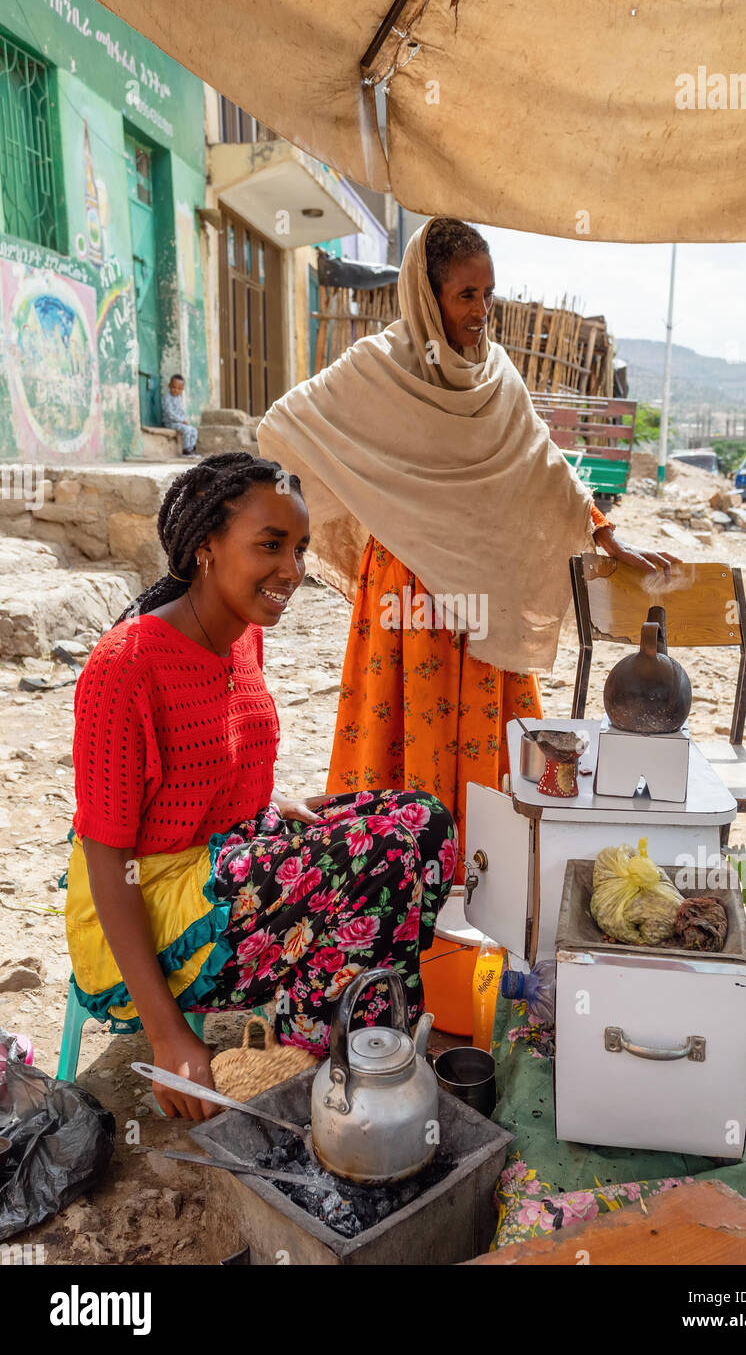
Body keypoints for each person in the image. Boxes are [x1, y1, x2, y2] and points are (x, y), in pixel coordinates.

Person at [257, 217, 676, 856]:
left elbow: (543, 465)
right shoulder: (377, 369)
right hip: (408, 591)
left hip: (485, 598)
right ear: (428, 298)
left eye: (488, 294)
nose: (482, 311)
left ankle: (482, 873)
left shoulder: (496, 375)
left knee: (486, 758)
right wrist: (330, 517)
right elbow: (288, 425)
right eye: (464, 296)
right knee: (405, 740)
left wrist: (604, 533)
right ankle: (391, 872)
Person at [66, 452, 456, 1120]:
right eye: (270, 546)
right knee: (380, 859)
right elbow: (109, 858)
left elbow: (209, 758)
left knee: (421, 821)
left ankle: (342, 1039)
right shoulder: (125, 666)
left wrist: (269, 802)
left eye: (299, 548)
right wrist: (169, 1037)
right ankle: (324, 1058)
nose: (292, 571)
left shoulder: (243, 636)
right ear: (205, 549)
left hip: (228, 848)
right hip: (148, 907)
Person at [161, 373, 198, 455]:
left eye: (179, 388)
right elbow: (169, 413)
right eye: (174, 387)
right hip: (170, 423)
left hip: (179, 422)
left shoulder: (179, 398)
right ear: (169, 385)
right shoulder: (167, 398)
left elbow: (181, 412)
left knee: (194, 430)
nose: (176, 390)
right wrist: (182, 420)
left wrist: (184, 420)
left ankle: (192, 448)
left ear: (182, 389)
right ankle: (186, 450)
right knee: (187, 430)